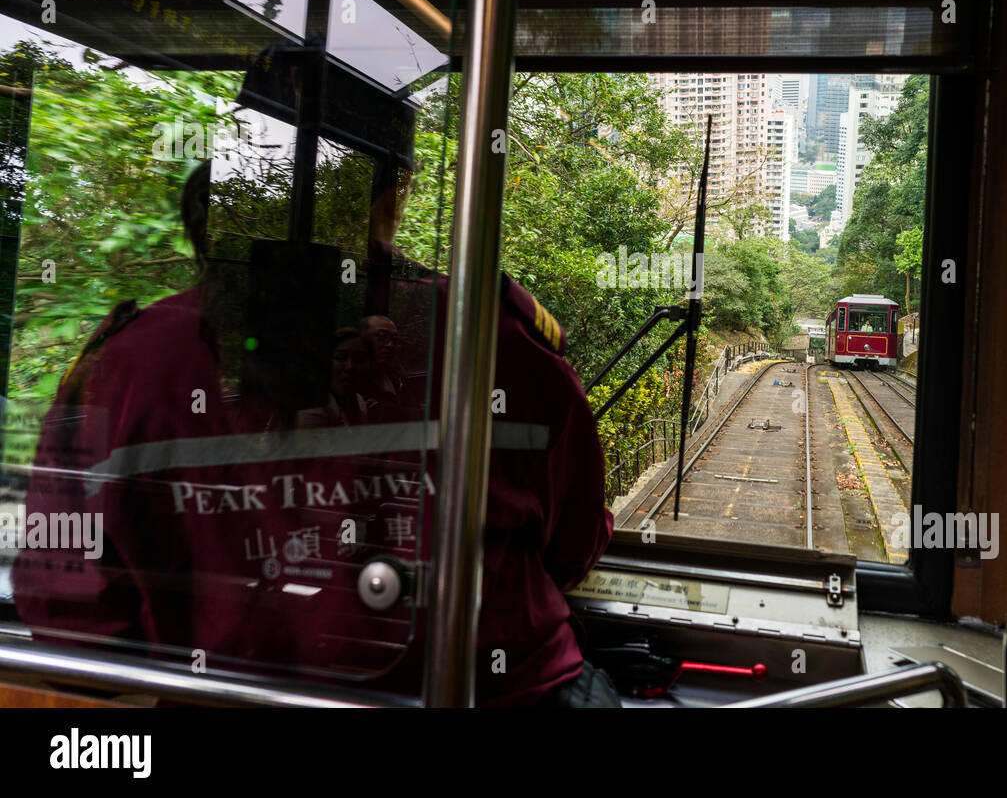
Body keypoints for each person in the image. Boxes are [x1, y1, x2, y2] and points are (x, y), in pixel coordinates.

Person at [15, 131, 617, 705]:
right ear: (393, 194)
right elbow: (571, 543)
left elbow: (74, 618)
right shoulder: (489, 333)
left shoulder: (124, 367)